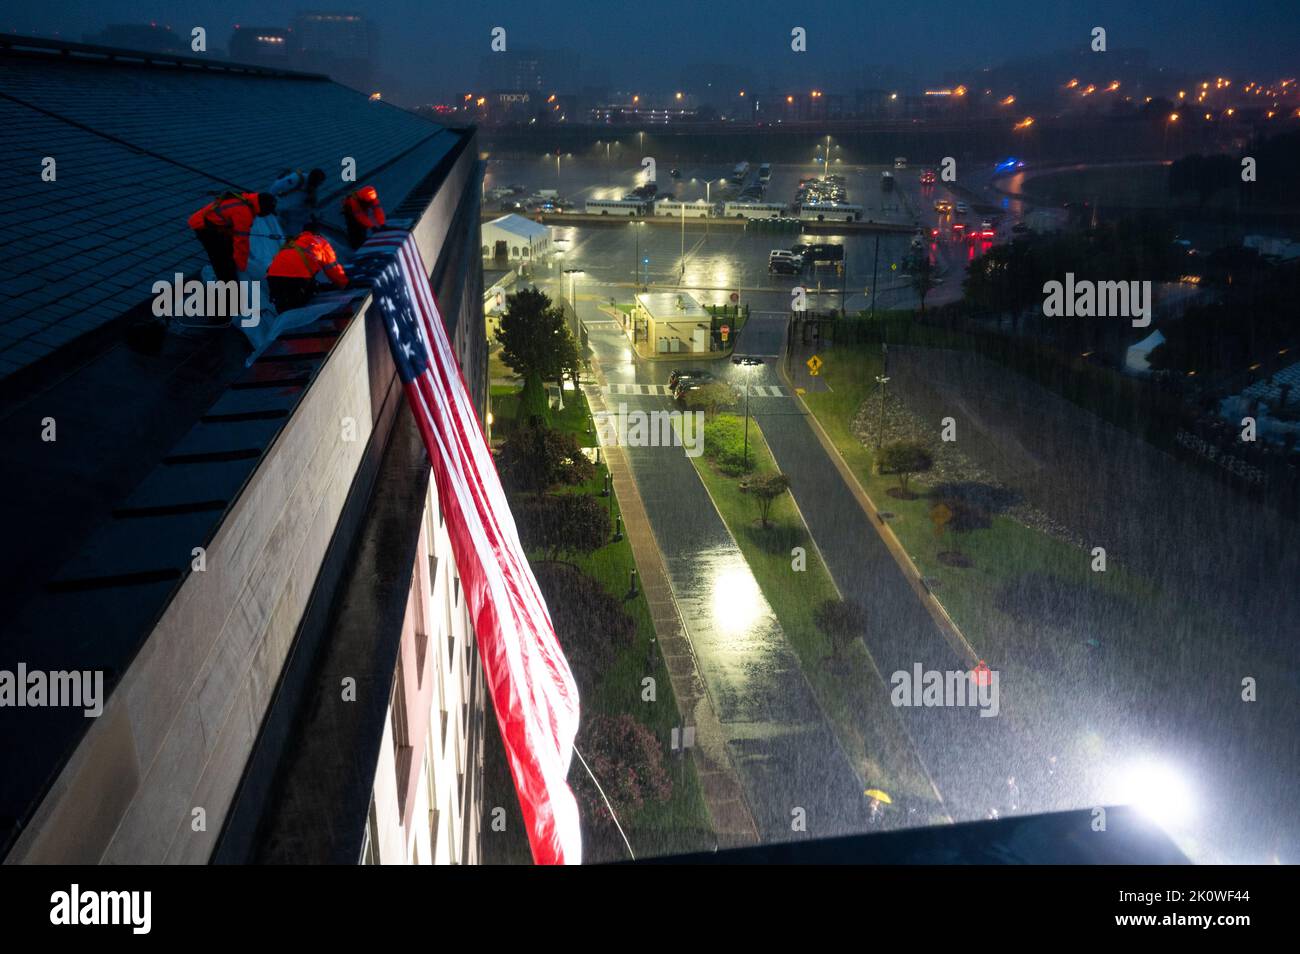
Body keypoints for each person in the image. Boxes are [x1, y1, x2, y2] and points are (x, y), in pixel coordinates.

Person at [188, 191, 277, 282]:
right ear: (263, 209)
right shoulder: (244, 213)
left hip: (211, 225)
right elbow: (241, 241)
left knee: (229, 255)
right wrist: (241, 268)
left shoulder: (247, 200)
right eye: (268, 212)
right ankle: (228, 289)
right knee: (222, 261)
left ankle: (229, 282)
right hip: (203, 227)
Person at [265, 228, 348, 313]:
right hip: (296, 278)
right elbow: (332, 267)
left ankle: (284, 322)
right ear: (317, 234)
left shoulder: (293, 242)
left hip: (273, 277)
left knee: (283, 306)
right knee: (299, 304)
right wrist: (343, 284)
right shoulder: (320, 241)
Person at [269, 168, 326, 237]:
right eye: (319, 183)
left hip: (294, 215)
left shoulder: (312, 188)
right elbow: (276, 186)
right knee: (276, 231)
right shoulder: (297, 179)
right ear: (313, 179)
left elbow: (310, 205)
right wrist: (268, 201)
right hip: (281, 211)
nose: (319, 185)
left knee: (292, 236)